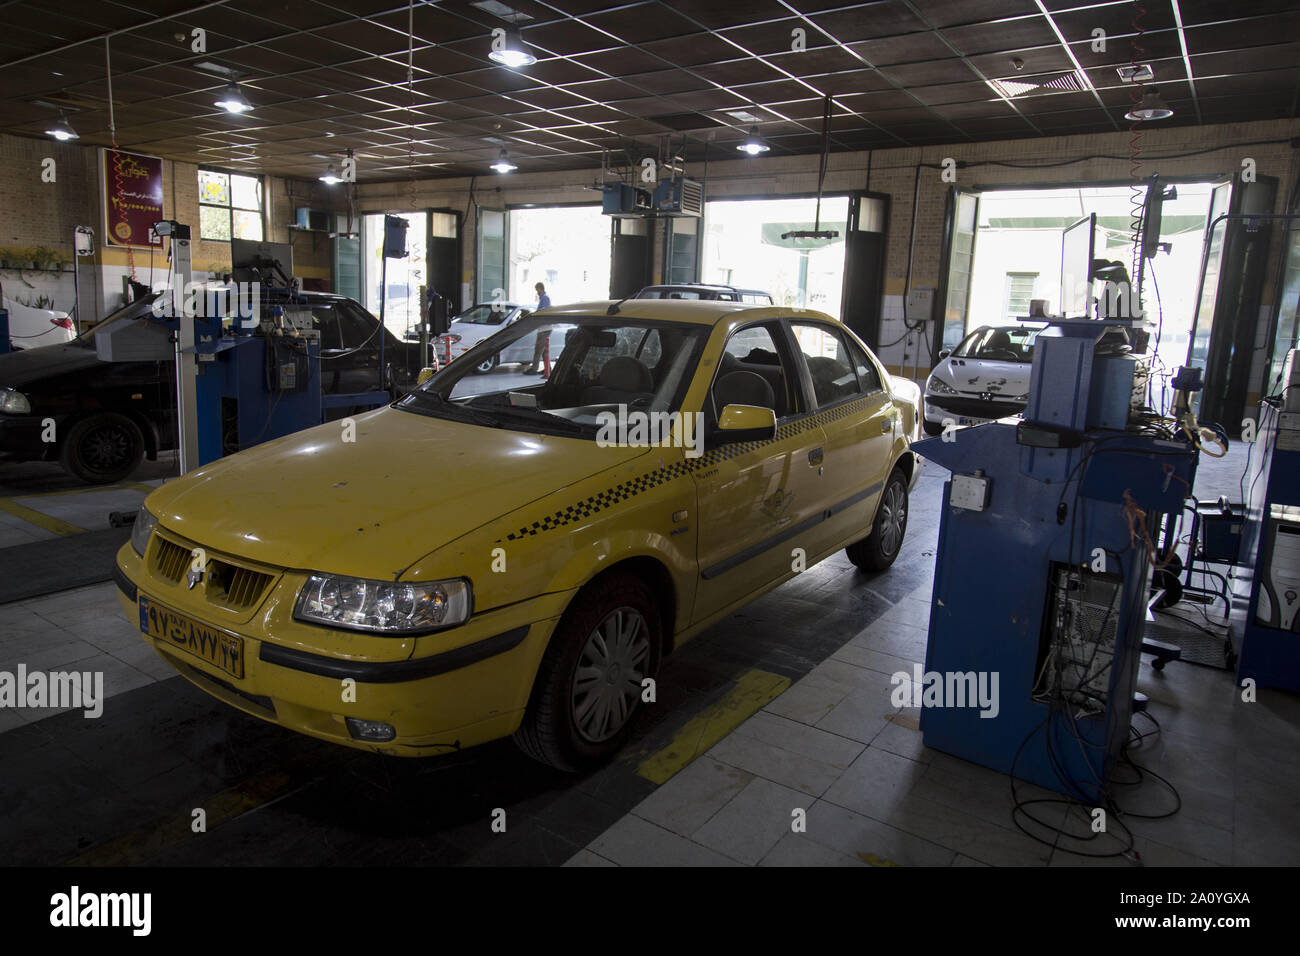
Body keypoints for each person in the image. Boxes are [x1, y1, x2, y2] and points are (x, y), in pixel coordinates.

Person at [526, 282, 552, 374]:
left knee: (538, 350)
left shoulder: (545, 298)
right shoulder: (544, 298)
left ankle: (534, 369)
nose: (536, 292)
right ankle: (547, 369)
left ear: (540, 289)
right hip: (544, 328)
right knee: (544, 351)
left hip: (544, 329)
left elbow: (543, 312)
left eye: (537, 290)